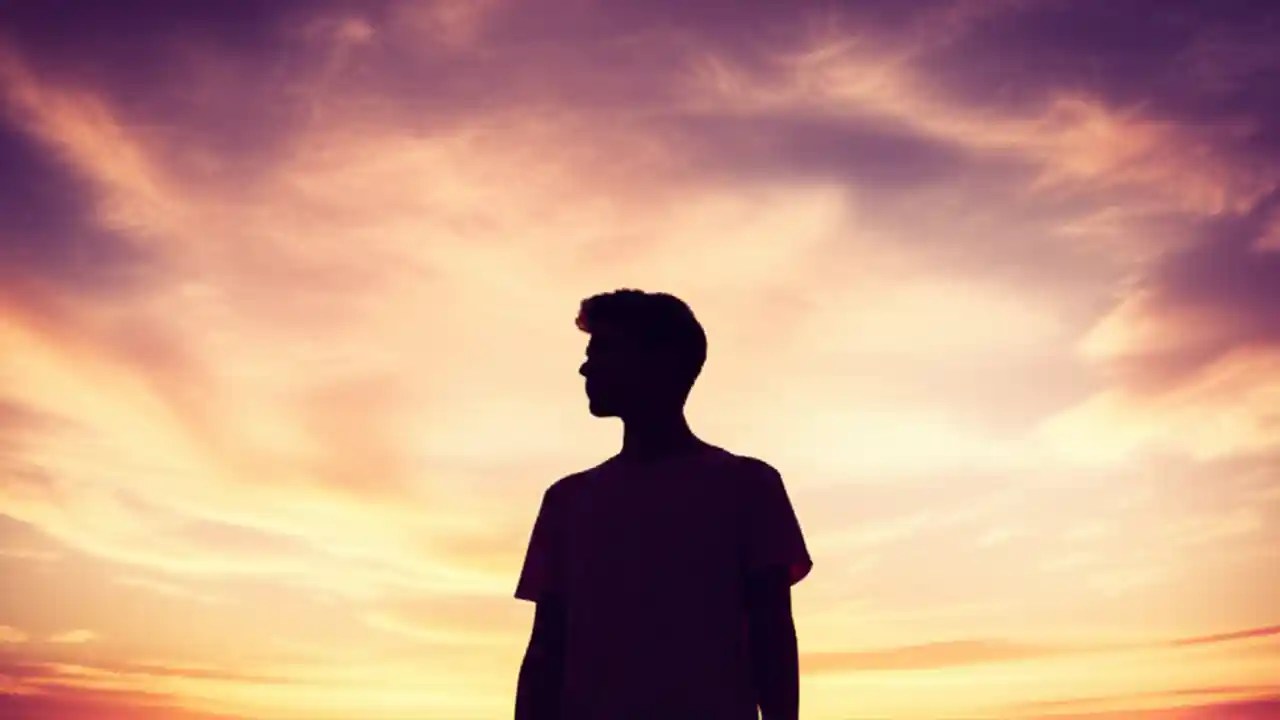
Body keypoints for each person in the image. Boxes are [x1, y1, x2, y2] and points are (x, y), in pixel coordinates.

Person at [514, 289, 813, 720]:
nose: (585, 366)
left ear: (658, 362)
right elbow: (545, 652)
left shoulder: (748, 486)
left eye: (604, 349)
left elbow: (773, 639)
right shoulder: (567, 501)